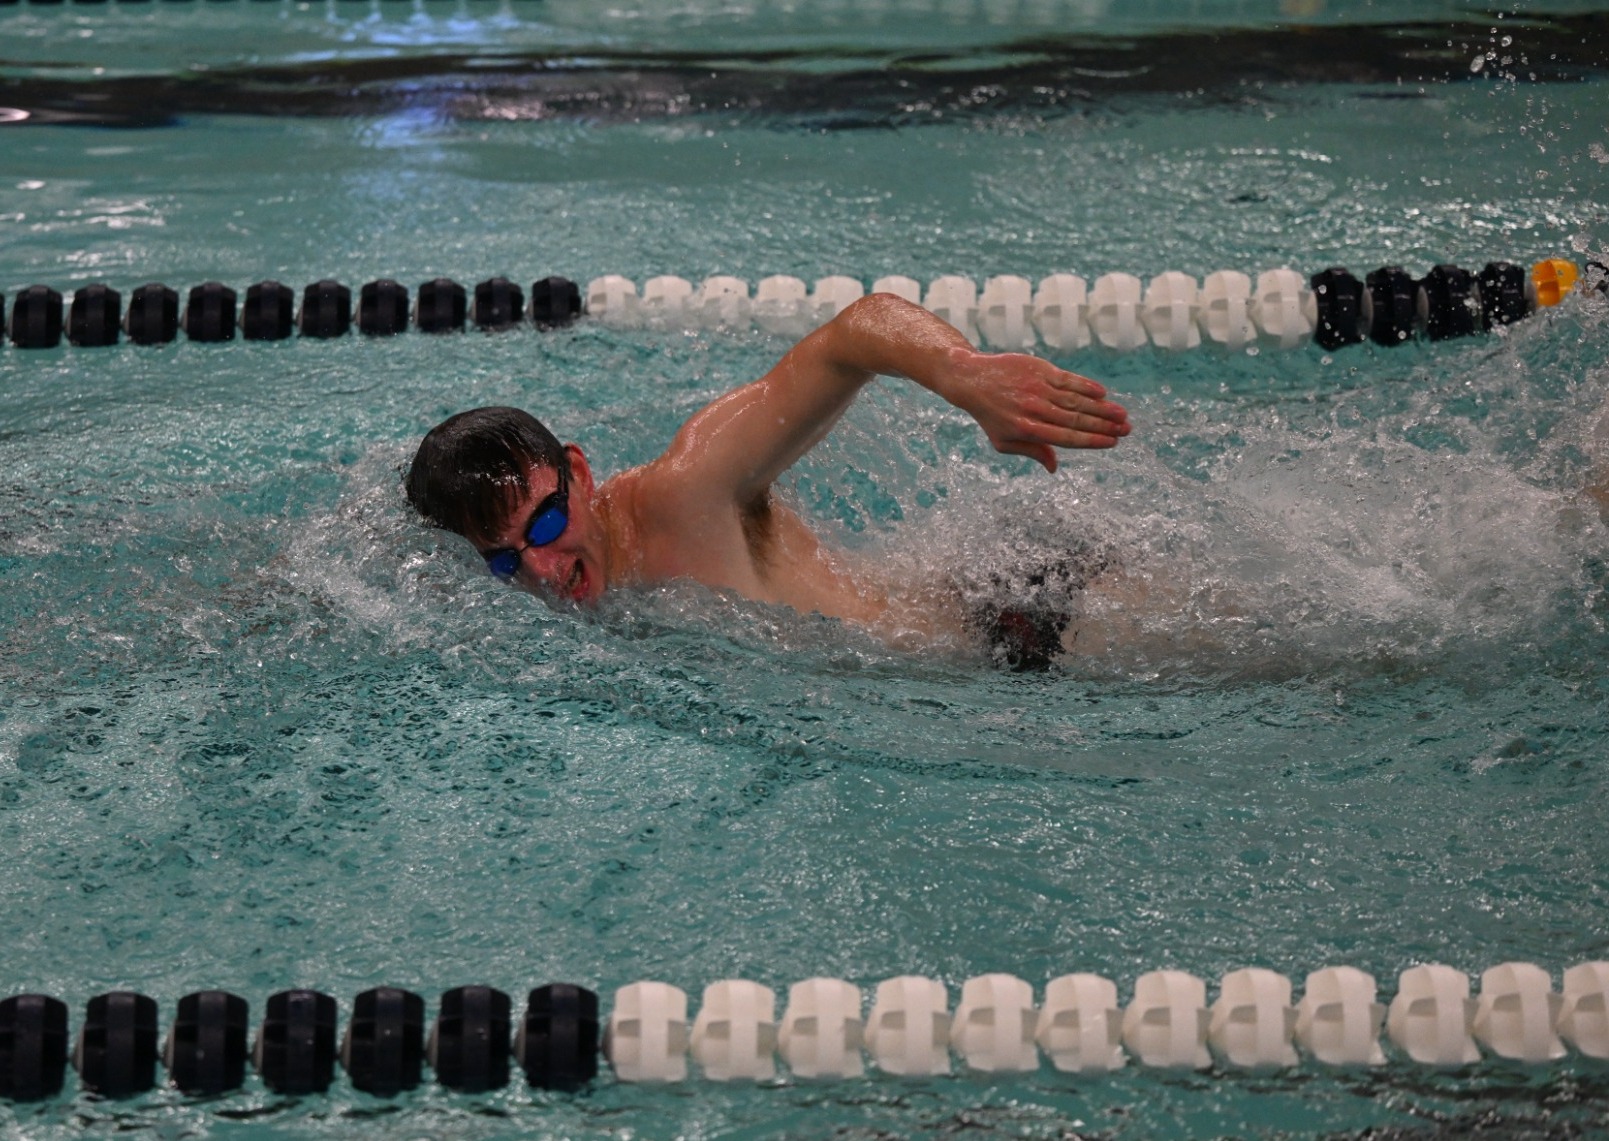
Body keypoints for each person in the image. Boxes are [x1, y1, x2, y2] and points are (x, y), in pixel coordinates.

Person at [404, 292, 1132, 666]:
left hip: (1030, 621)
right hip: (996, 629)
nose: (542, 566)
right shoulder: (539, 578)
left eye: (546, 524)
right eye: (504, 559)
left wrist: (961, 374)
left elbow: (854, 332)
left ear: (580, 472)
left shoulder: (687, 490)